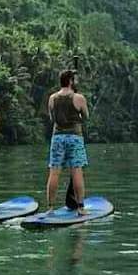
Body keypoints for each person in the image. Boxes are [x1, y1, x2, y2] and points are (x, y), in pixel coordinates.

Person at [47, 69, 89, 214]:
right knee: (77, 172)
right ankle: (81, 208)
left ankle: (51, 207)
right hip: (74, 137)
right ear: (71, 81)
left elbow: (52, 119)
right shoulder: (79, 98)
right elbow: (86, 116)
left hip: (57, 137)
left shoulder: (52, 98)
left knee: (54, 172)